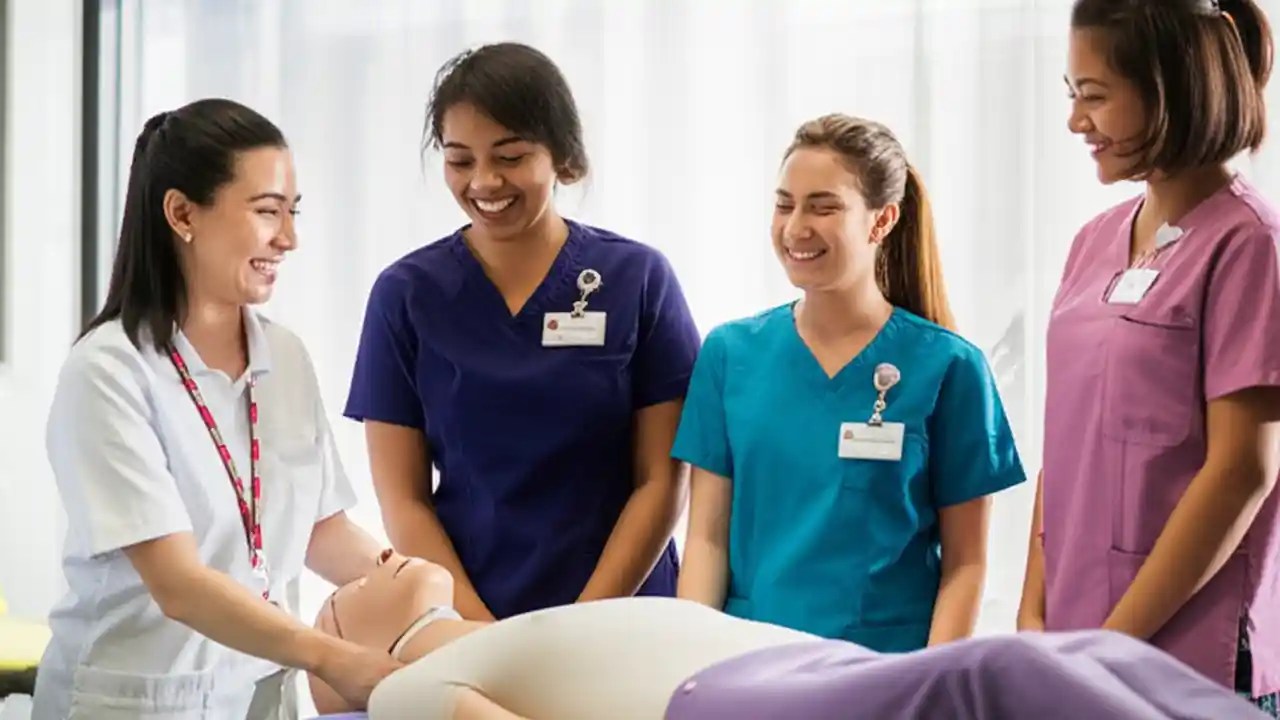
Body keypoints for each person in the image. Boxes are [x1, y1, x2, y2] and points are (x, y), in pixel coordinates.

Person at [32, 99, 402, 720]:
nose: (288, 238)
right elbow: (178, 584)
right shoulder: (109, 372)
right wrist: (331, 657)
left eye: (292, 213)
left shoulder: (283, 357)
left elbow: (319, 530)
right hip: (141, 702)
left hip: (259, 694)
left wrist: (405, 579)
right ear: (181, 214)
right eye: (267, 212)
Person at [344, 43, 701, 622]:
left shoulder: (636, 278)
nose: (484, 181)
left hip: (622, 617)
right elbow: (404, 501)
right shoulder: (406, 295)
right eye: (460, 161)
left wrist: (582, 625)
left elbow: (662, 480)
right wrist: (477, 632)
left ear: (561, 156)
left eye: (509, 157)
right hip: (470, 616)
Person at [671, 113, 1026, 653]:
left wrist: (927, 687)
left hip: (882, 671)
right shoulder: (729, 355)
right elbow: (706, 539)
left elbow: (966, 564)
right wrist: (685, 664)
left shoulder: (950, 368)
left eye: (824, 206)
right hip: (747, 665)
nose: (795, 228)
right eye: (785, 203)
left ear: (881, 221)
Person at [1019, 0, 1280, 714]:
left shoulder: (1249, 242)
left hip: (1188, 656)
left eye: (1094, 97)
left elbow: (1243, 471)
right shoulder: (1092, 241)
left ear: (1171, 85)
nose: (1077, 122)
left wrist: (1111, 644)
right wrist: (1033, 622)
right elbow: (1064, 445)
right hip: (1080, 647)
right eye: (1073, 97)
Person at [305, 552, 1269, 720]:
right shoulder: (399, 693)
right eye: (339, 595)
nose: (366, 566)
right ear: (357, 647)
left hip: (791, 662)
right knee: (1003, 675)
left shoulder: (508, 626)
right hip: (722, 705)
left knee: (1087, 654)